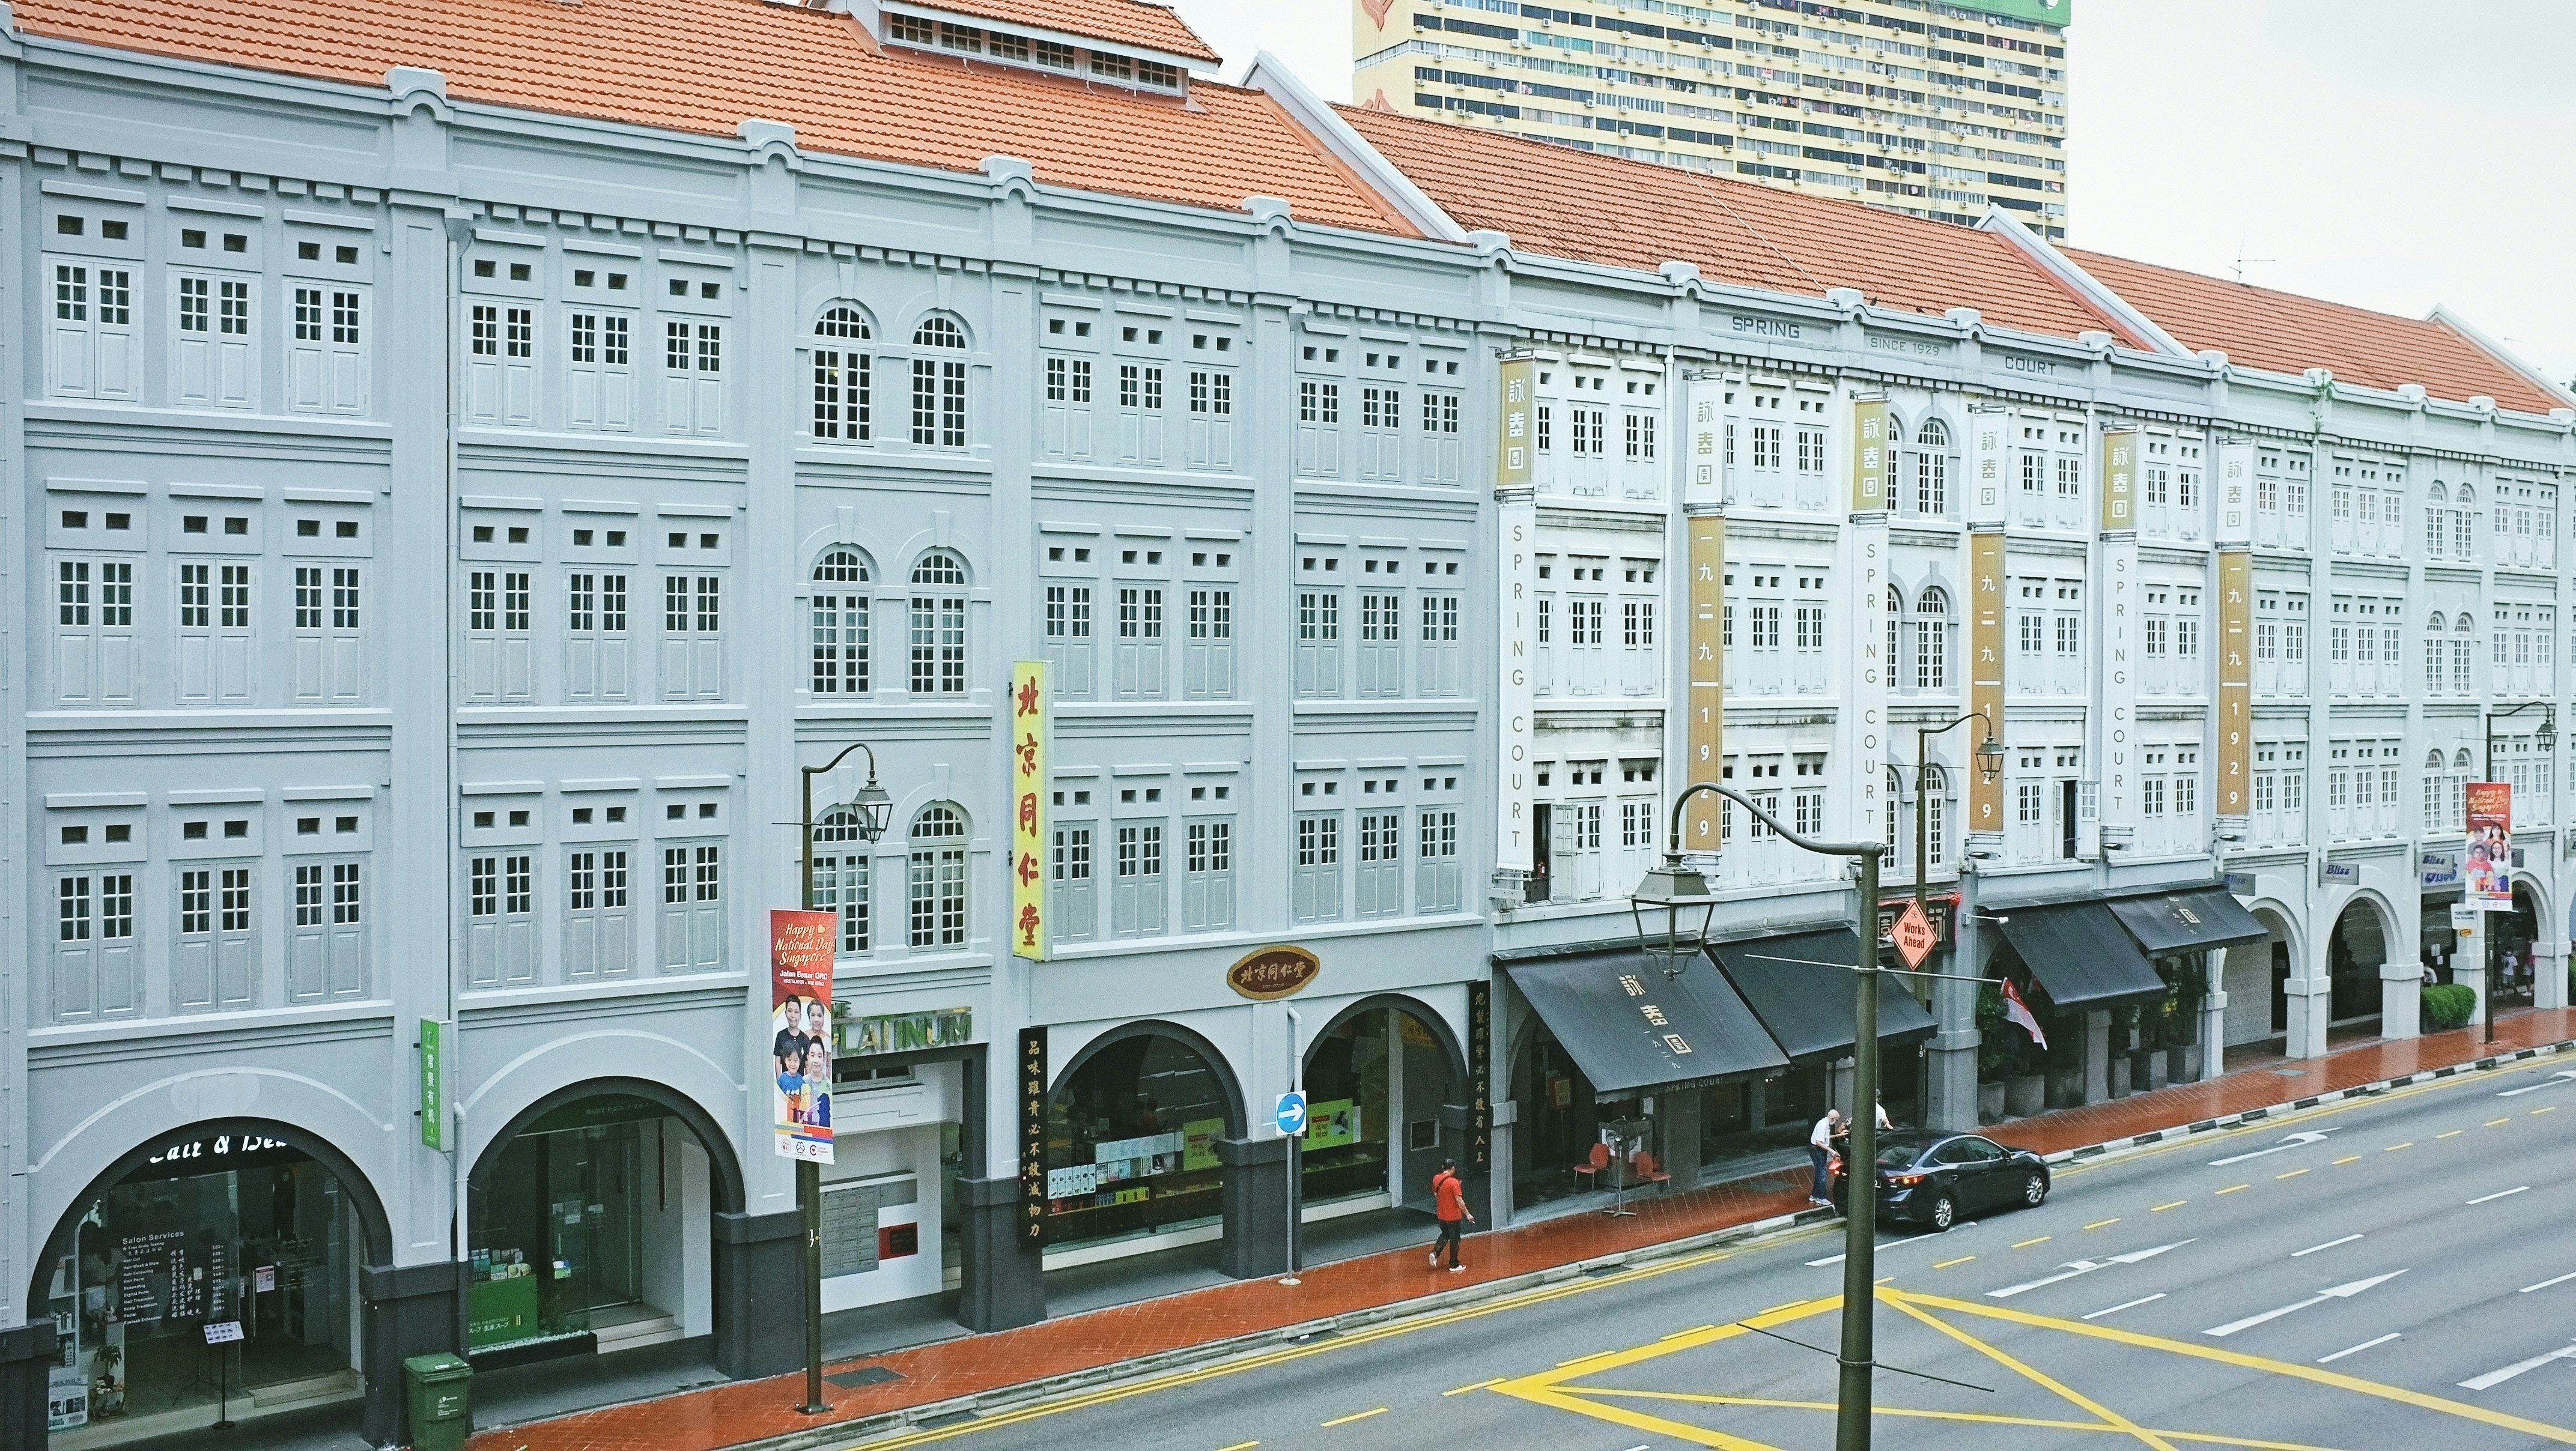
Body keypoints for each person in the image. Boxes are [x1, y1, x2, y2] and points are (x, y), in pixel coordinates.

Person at [1427, 1159, 1474, 1272]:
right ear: (1453, 1168)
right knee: (1455, 1240)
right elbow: (1459, 1200)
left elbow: (1435, 1194)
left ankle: (1435, 1253)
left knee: (1445, 1234)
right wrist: (1468, 1214)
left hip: (1441, 1215)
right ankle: (1454, 1264)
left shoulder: (1436, 1179)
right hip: (1453, 1216)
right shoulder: (1454, 1183)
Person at [1808, 1109, 1842, 1207]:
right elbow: (1819, 1142)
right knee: (1822, 1174)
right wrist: (1831, 1151)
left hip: (1818, 1151)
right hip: (1817, 1151)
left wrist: (1838, 1136)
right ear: (1833, 1118)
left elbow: (1826, 1138)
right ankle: (1821, 1198)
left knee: (1820, 1173)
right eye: (1836, 1119)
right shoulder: (1823, 1125)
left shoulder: (1825, 1124)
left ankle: (1814, 1195)